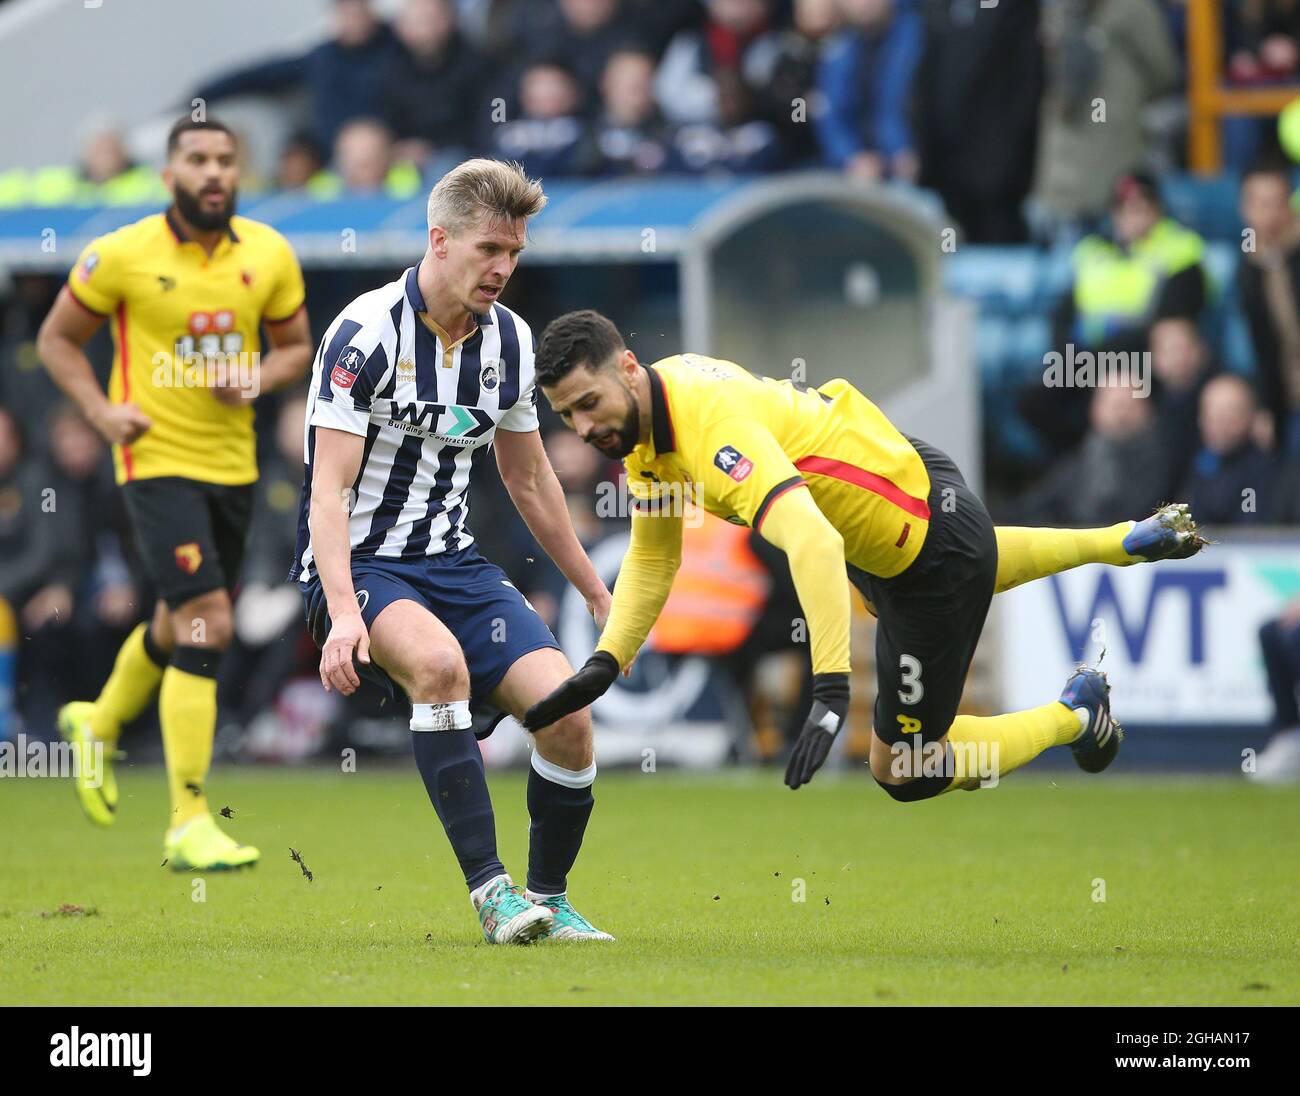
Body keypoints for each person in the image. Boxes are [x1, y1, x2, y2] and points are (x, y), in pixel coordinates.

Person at [524, 311, 1207, 802]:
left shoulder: (711, 428)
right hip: (912, 481)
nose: (584, 430)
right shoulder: (649, 422)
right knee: (964, 556)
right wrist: (604, 665)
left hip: (917, 550)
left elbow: (814, 540)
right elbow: (652, 558)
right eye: (568, 417)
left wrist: (828, 689)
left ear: (626, 369)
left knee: (904, 768)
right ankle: (1122, 541)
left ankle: (1075, 714)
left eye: (589, 404)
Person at [292, 159, 614, 944]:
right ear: (439, 241)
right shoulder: (363, 335)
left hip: (454, 566)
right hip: (360, 565)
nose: (503, 268)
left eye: (515, 253)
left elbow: (530, 477)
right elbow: (327, 493)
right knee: (438, 668)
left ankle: (550, 898)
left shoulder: (508, 341)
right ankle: (491, 893)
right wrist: (340, 614)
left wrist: (595, 591)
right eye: (488, 250)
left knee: (565, 710)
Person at [36, 117, 313, 870]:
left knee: (175, 618)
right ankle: (189, 817)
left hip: (234, 467)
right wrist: (100, 413)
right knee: (208, 622)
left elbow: (298, 349)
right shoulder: (120, 254)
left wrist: (257, 377)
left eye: (226, 159)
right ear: (169, 175)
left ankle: (98, 720)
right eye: (197, 159)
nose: (213, 171)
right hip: (154, 462)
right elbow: (57, 339)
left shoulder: (269, 253)